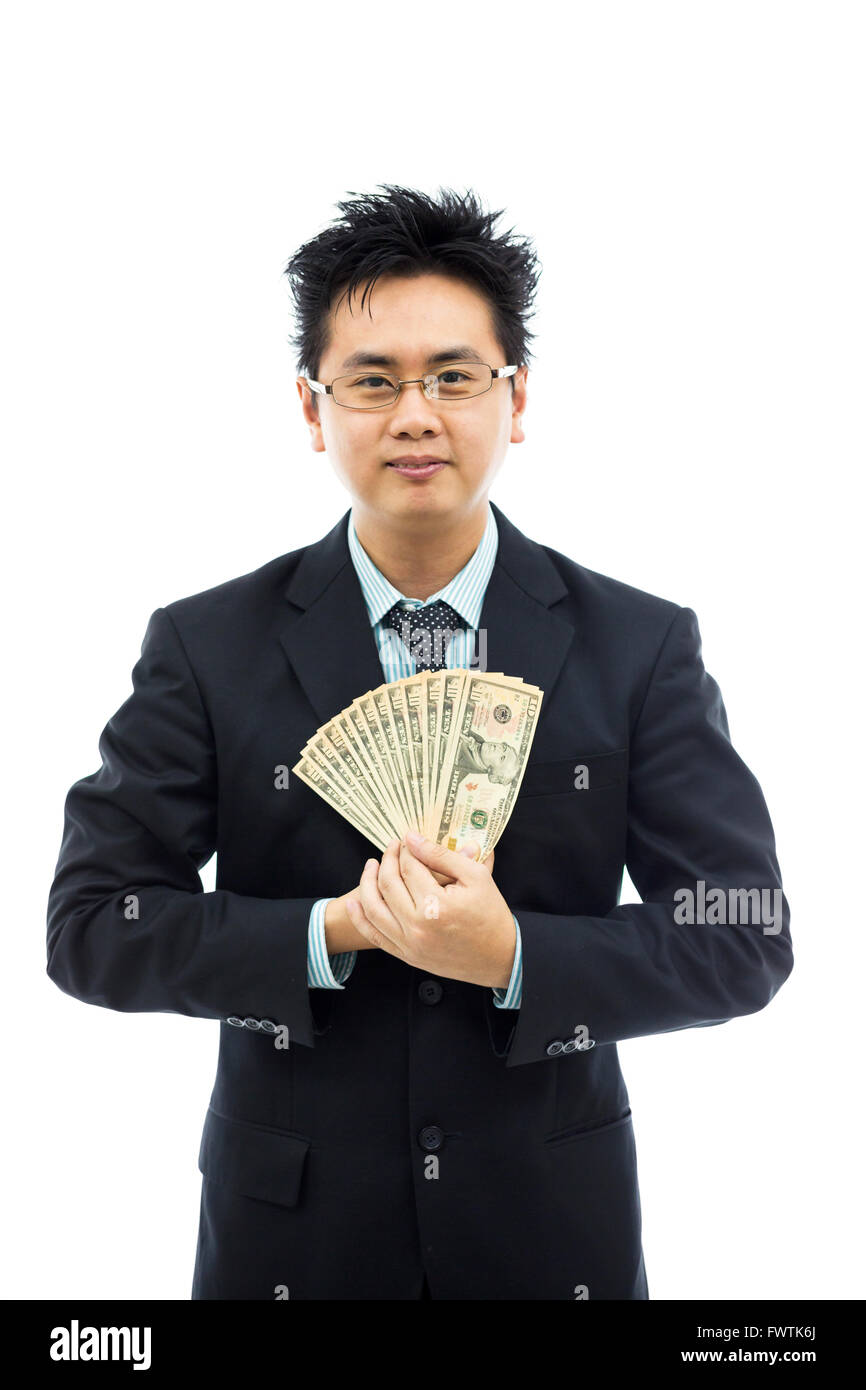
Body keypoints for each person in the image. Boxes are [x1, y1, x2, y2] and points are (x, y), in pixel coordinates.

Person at [46, 184, 793, 1300]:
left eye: (453, 376)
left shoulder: (637, 646)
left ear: (515, 397)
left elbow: (742, 932)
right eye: (372, 381)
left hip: (548, 1240)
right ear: (313, 409)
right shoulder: (206, 646)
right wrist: (331, 929)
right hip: (288, 1246)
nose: (414, 414)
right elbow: (93, 924)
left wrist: (513, 957)